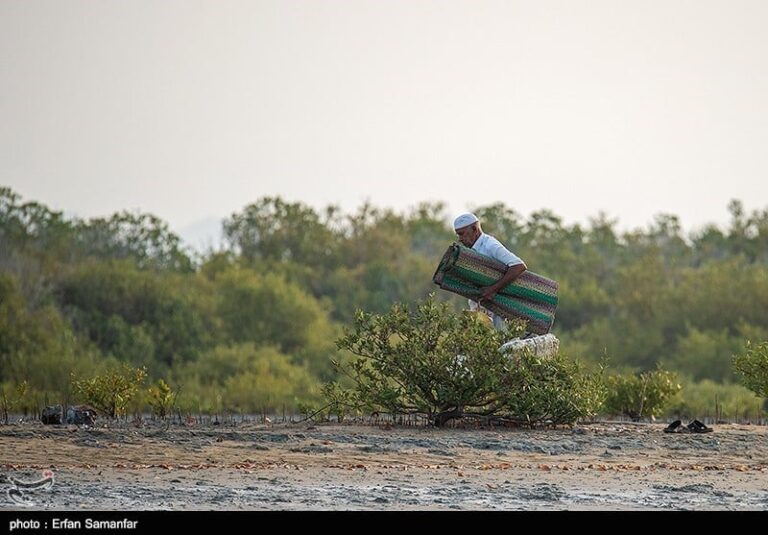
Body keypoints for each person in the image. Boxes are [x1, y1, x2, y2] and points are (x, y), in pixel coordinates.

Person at [453, 212, 527, 330]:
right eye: (458, 235)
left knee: (500, 338)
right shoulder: (471, 249)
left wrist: (492, 289)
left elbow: (518, 266)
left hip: (497, 311)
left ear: (474, 229)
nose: (460, 239)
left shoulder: (490, 245)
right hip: (480, 310)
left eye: (462, 234)